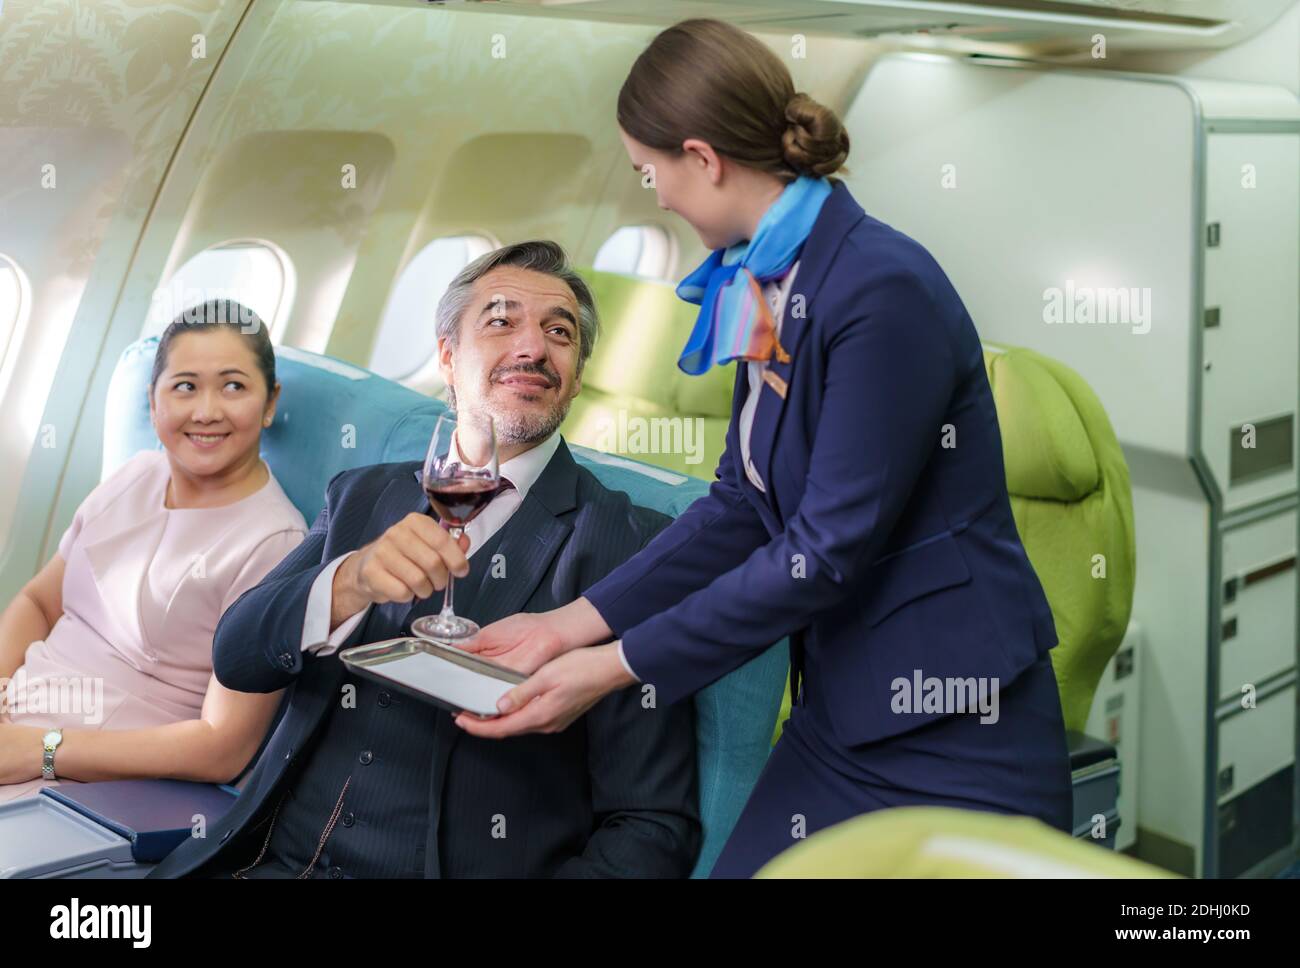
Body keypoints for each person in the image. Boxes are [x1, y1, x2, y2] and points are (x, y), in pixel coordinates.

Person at [455, 18, 1073, 878]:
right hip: (841, 708)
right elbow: (741, 504)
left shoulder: (879, 288)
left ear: (703, 157)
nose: (655, 197)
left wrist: (611, 668)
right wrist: (563, 628)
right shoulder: (763, 277)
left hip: (954, 718)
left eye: (650, 170)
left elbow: (823, 553)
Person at [146, 241, 699, 879]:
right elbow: (238, 655)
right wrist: (347, 582)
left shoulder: (631, 547)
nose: (533, 348)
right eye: (500, 321)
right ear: (446, 356)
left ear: (575, 375)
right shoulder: (363, 493)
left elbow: (652, 826)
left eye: (560, 332)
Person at [0, 300, 306, 802]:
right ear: (153, 400)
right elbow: (38, 602)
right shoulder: (135, 475)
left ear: (270, 402)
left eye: (233, 386)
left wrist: (39, 750)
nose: (206, 411)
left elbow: (223, 746)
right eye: (185, 386)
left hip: (97, 783)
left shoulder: (275, 545)